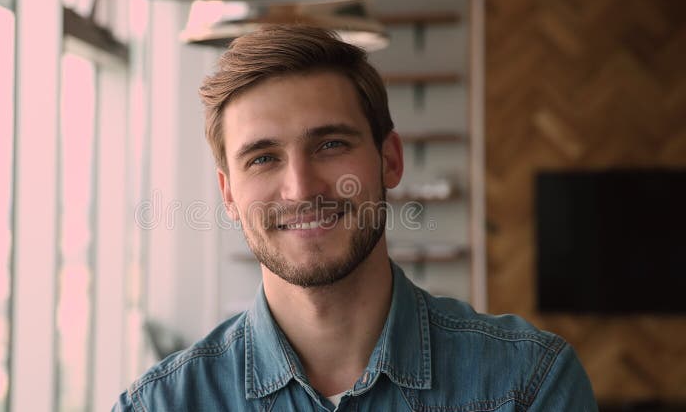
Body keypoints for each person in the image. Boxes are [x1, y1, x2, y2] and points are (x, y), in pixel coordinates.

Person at [113, 25, 598, 411]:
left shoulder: (529, 383)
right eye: (263, 158)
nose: (302, 188)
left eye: (330, 145)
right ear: (229, 195)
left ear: (390, 160)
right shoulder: (160, 405)